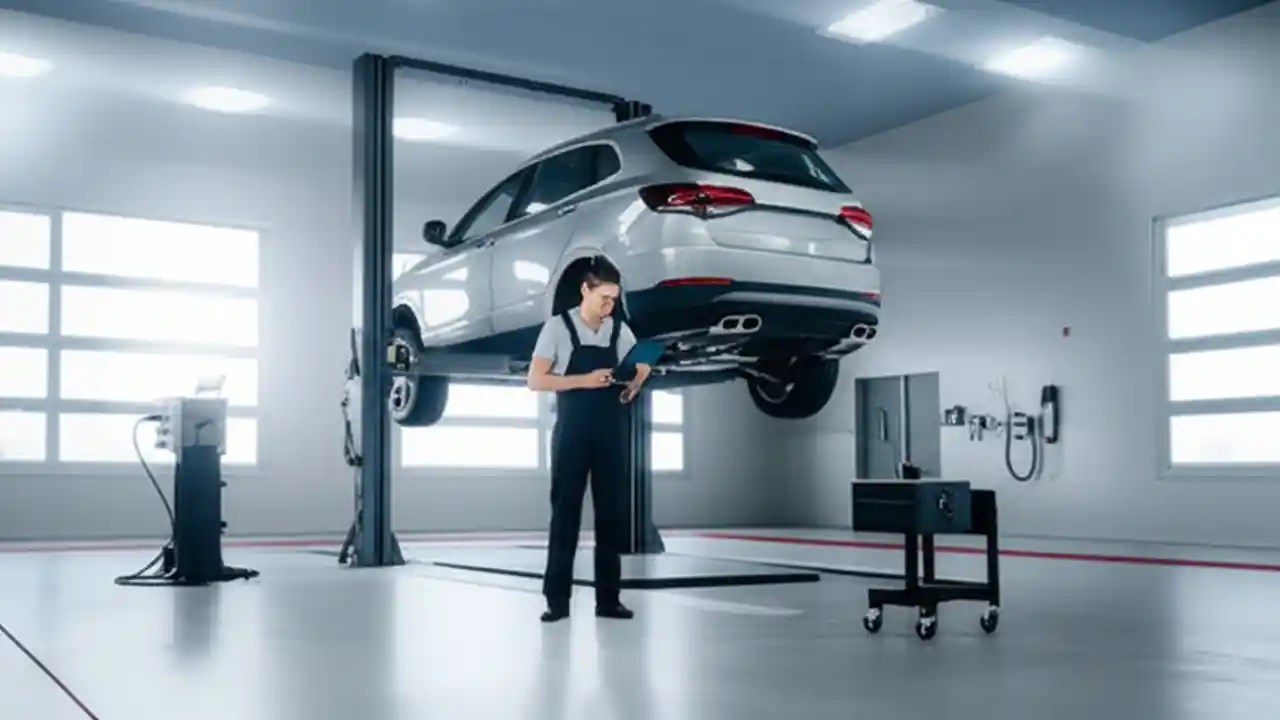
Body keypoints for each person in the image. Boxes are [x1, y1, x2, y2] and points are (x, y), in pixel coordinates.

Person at [526, 256, 651, 623]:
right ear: (585, 289)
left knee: (611, 518)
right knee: (565, 516)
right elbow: (535, 380)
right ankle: (557, 602)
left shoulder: (619, 329)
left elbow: (642, 361)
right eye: (603, 299)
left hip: (612, 433)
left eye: (614, 300)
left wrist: (634, 383)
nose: (608, 307)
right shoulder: (557, 327)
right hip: (572, 434)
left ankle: (609, 600)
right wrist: (583, 380)